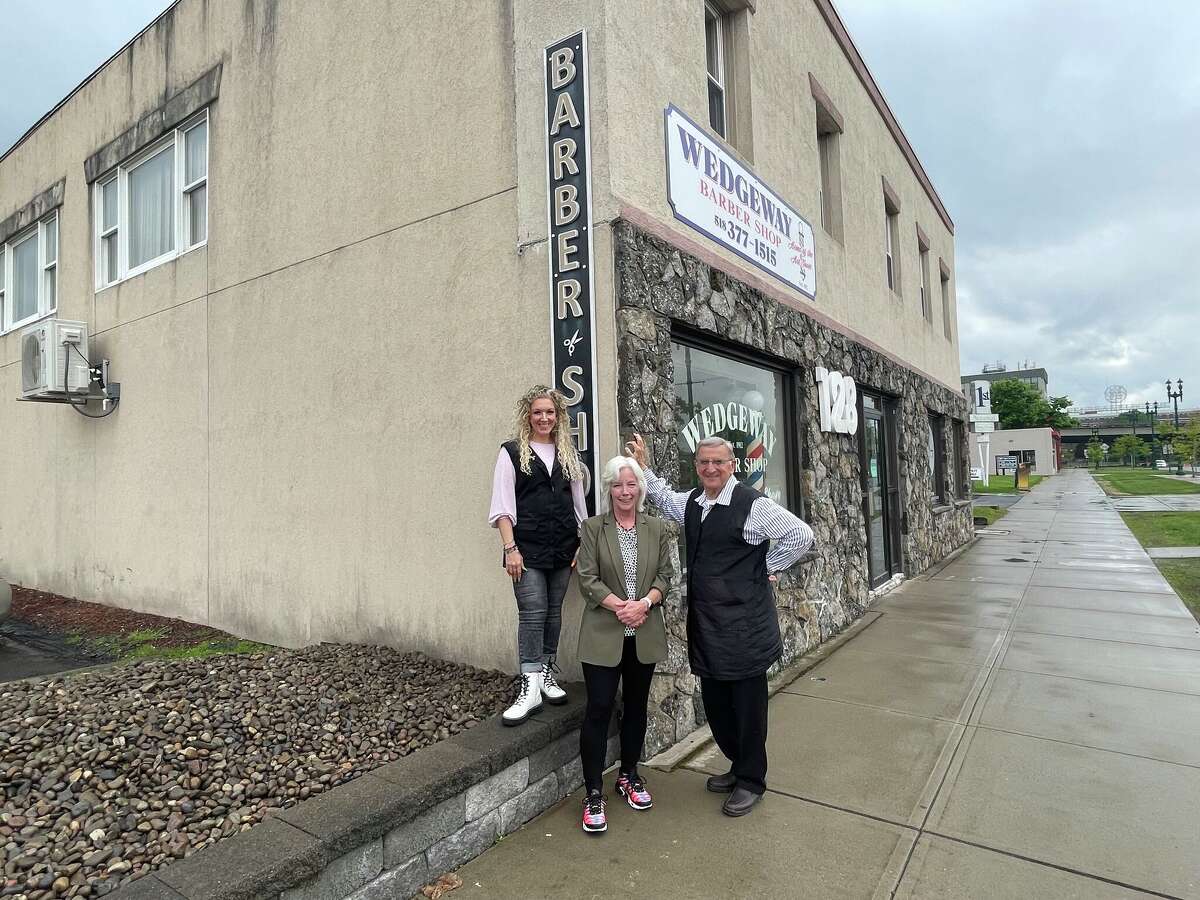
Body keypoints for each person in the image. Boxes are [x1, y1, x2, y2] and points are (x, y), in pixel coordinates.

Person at [625, 432, 813, 817]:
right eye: (703, 462)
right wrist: (643, 468)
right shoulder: (694, 502)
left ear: (732, 466)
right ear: (696, 466)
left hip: (745, 626)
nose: (710, 468)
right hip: (709, 626)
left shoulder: (752, 504)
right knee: (717, 705)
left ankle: (751, 780)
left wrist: (767, 568)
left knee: (747, 707)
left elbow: (800, 535)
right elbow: (663, 497)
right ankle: (737, 764)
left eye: (718, 462)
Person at [575, 456, 673, 834]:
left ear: (640, 489)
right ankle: (594, 792)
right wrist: (622, 608)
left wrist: (645, 603)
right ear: (609, 489)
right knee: (598, 709)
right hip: (604, 632)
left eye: (631, 484)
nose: (625, 491)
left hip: (643, 633)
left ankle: (629, 774)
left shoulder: (657, 528)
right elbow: (587, 578)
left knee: (635, 707)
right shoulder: (592, 529)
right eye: (618, 485)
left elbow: (666, 575)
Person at [488, 386, 588, 726]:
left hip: (562, 548)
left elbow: (579, 506)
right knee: (533, 613)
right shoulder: (512, 452)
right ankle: (529, 684)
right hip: (525, 550)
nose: (543, 418)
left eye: (550, 412)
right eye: (537, 412)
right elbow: (502, 506)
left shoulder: (568, 455)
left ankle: (546, 672)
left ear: (558, 416)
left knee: (554, 614)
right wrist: (510, 548)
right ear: (527, 416)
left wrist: (581, 543)